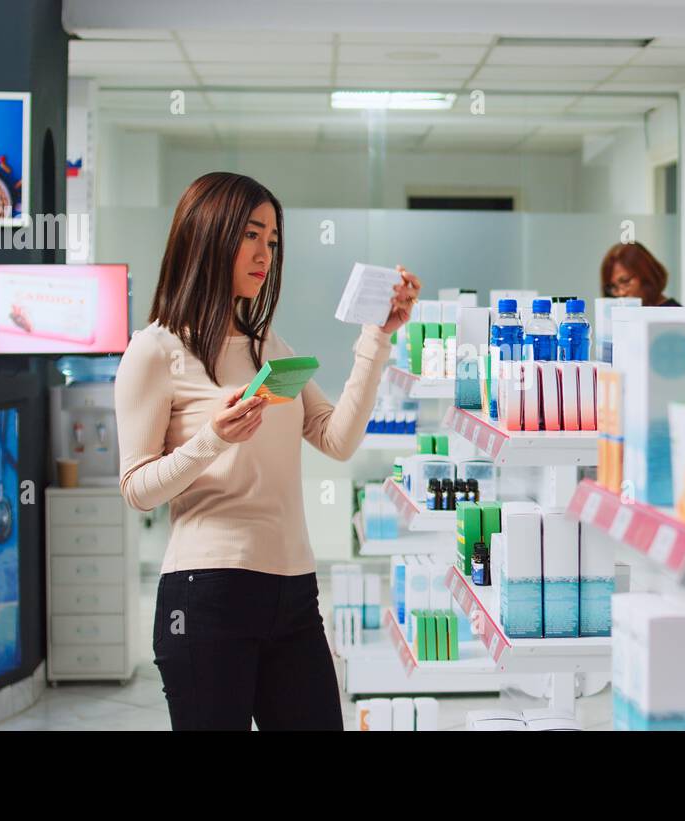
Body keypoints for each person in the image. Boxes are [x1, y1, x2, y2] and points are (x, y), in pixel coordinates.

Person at [114, 171, 420, 731]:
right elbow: (136, 487)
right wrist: (213, 438)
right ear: (209, 236)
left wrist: (378, 338)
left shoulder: (267, 347)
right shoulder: (155, 350)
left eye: (273, 240)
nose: (264, 254)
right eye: (251, 235)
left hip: (294, 591)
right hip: (205, 595)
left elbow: (337, 437)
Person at [599, 242, 680, 306]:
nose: (621, 293)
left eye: (625, 281)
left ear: (647, 275)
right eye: (613, 287)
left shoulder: (677, 317)